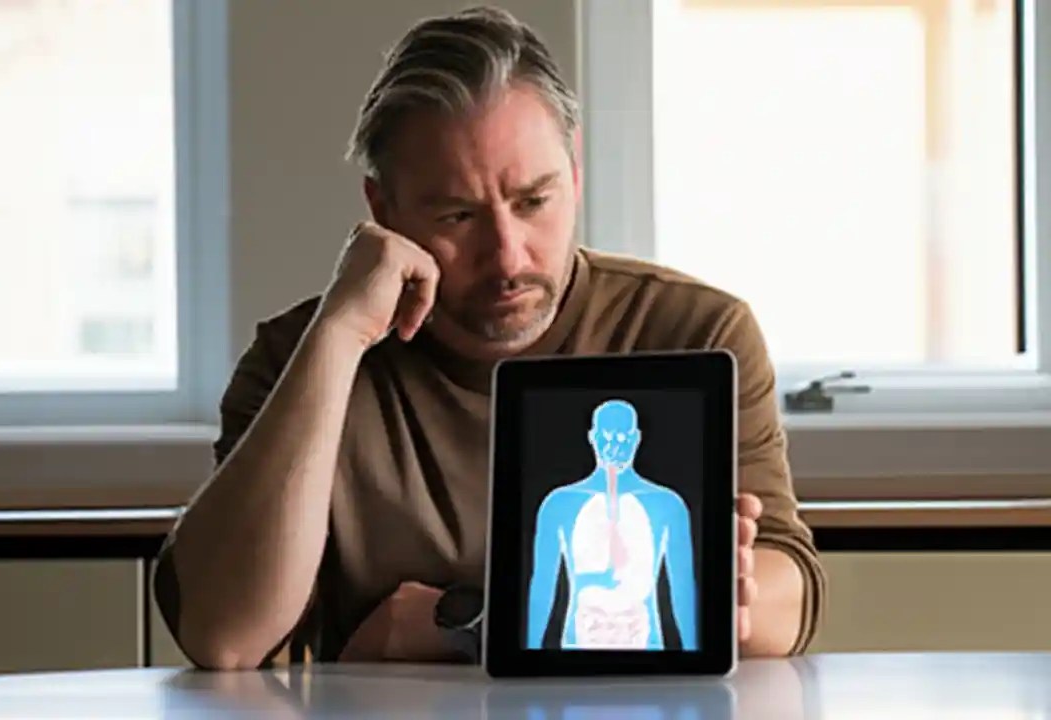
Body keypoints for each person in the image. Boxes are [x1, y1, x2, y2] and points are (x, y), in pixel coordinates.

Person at [153, 5, 827, 670]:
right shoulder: (300, 357)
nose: (508, 256)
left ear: (576, 172)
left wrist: (465, 622)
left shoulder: (696, 332)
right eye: (457, 215)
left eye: (535, 201)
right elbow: (224, 635)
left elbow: (785, 601)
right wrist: (339, 334)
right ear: (382, 210)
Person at [526, 400, 696, 652]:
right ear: (592, 437)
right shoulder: (559, 503)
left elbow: (682, 585)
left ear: (635, 438)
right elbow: (543, 583)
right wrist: (530, 654)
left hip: (646, 644)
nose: (614, 445)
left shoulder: (667, 504)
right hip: (579, 643)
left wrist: (694, 657)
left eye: (622, 437)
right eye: (606, 436)